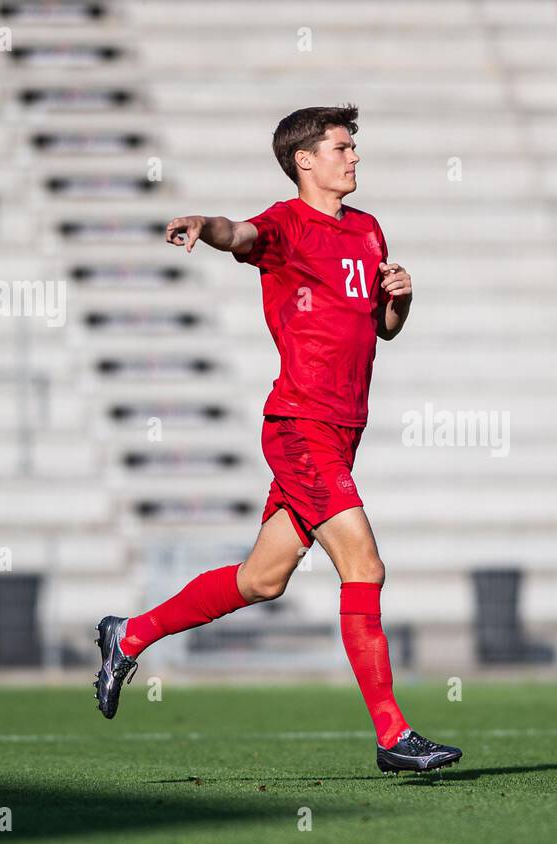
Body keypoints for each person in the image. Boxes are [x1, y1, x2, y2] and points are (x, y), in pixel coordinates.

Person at [93, 104, 461, 774]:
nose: (354, 158)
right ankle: (392, 735)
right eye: (343, 147)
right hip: (300, 427)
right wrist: (205, 227)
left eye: (354, 147)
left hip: (342, 432)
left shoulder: (370, 231)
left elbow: (381, 328)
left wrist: (399, 301)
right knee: (365, 566)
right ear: (306, 161)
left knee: (261, 579)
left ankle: (130, 633)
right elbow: (241, 235)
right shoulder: (287, 225)